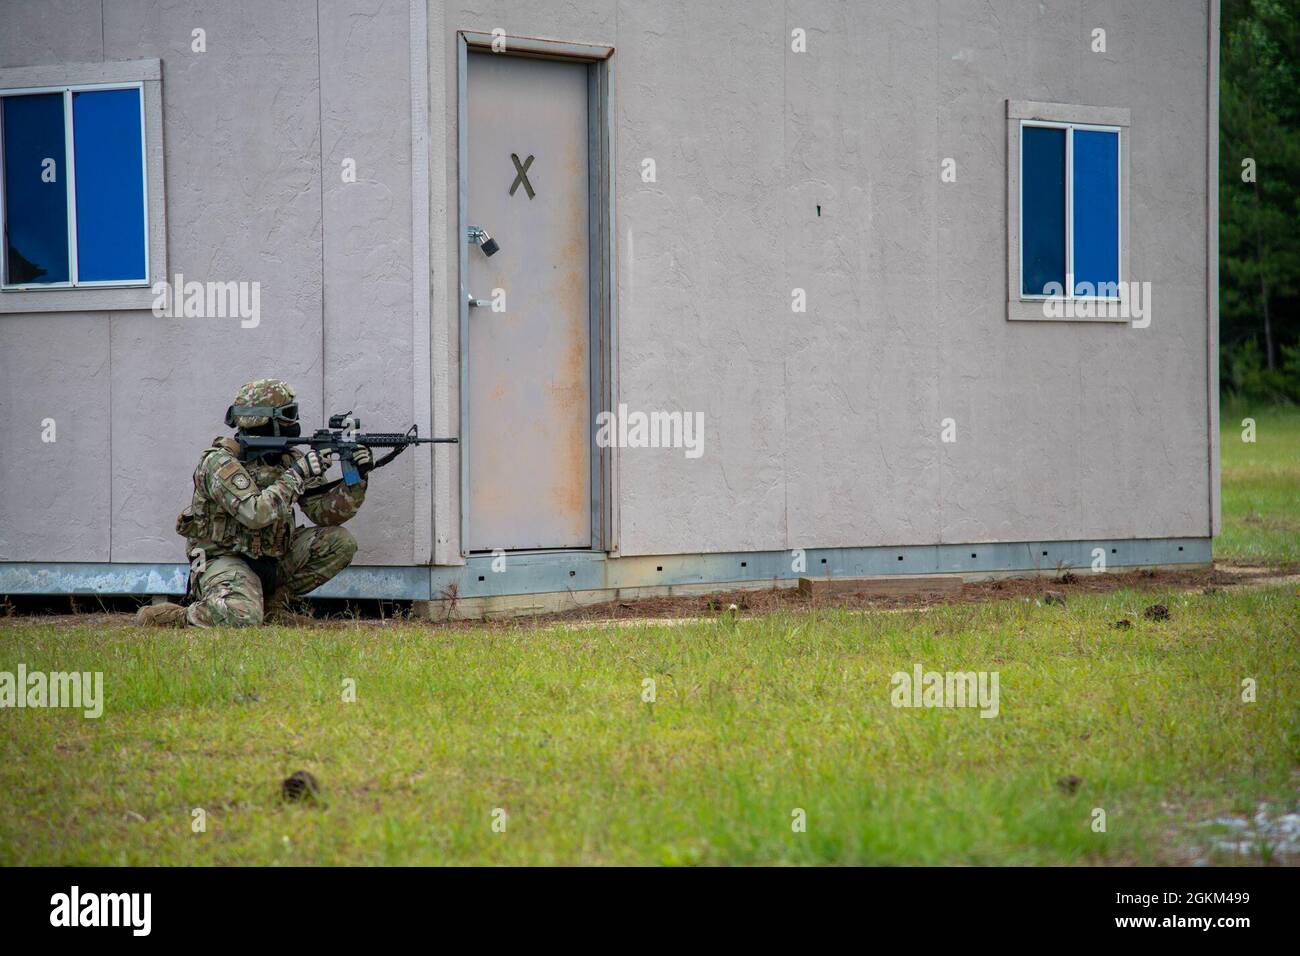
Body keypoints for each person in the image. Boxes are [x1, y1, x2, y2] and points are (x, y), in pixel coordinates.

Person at [136, 378, 370, 627]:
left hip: (271, 557)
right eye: (288, 415)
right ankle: (173, 617)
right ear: (262, 419)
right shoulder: (219, 463)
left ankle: (271, 607)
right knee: (241, 618)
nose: (295, 422)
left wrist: (356, 478)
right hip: (223, 558)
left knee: (340, 542)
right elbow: (255, 514)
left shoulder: (287, 457)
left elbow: (325, 514)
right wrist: (298, 474)